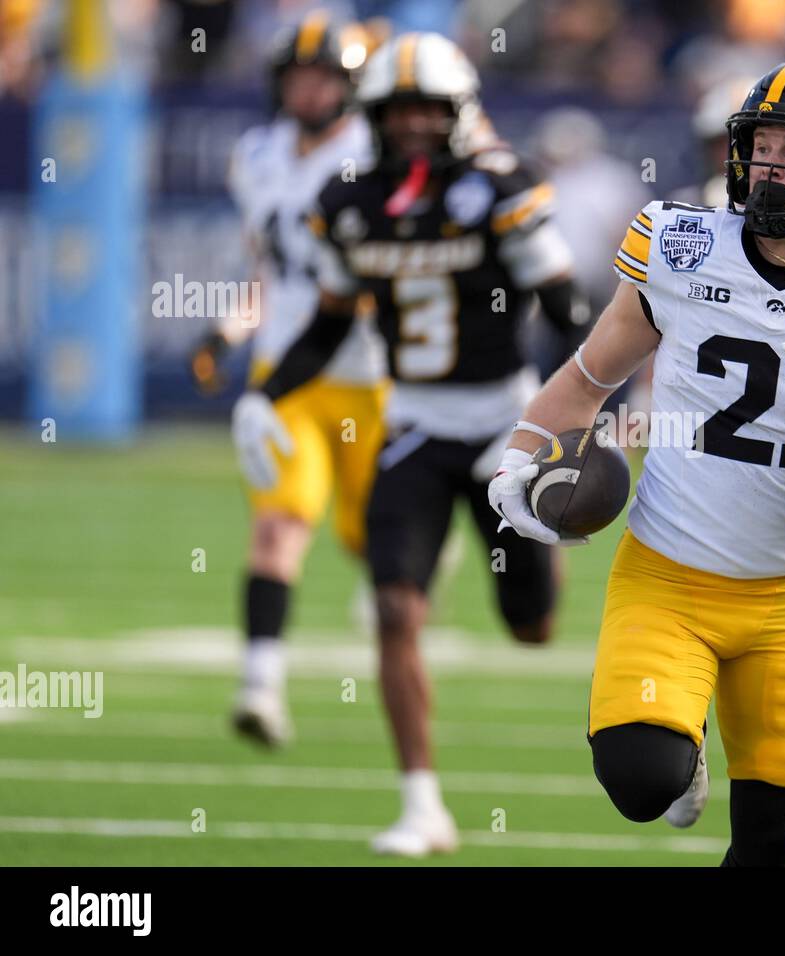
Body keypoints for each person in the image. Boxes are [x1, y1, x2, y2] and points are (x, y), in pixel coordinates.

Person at [489, 58, 785, 866]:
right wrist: (514, 466)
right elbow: (587, 378)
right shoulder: (682, 242)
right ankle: (681, 742)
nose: (769, 164)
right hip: (667, 577)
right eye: (761, 143)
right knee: (641, 780)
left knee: (771, 843)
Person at [230, 32, 588, 856]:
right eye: (400, 112)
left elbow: (569, 307)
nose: (417, 126)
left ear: (460, 114)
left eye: (432, 109)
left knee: (531, 625)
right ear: (376, 118)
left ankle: (541, 561)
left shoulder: (502, 188)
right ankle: (422, 803)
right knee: (395, 609)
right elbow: (327, 324)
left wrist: (602, 400)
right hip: (414, 427)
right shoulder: (350, 202)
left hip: (505, 425)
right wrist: (265, 396)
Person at [189, 12, 388, 748]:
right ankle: (260, 684)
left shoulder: (379, 154)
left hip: (376, 376)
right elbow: (266, 273)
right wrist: (225, 331)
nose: (307, 91)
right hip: (289, 376)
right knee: (278, 527)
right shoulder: (258, 154)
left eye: (324, 78)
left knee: (374, 542)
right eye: (298, 78)